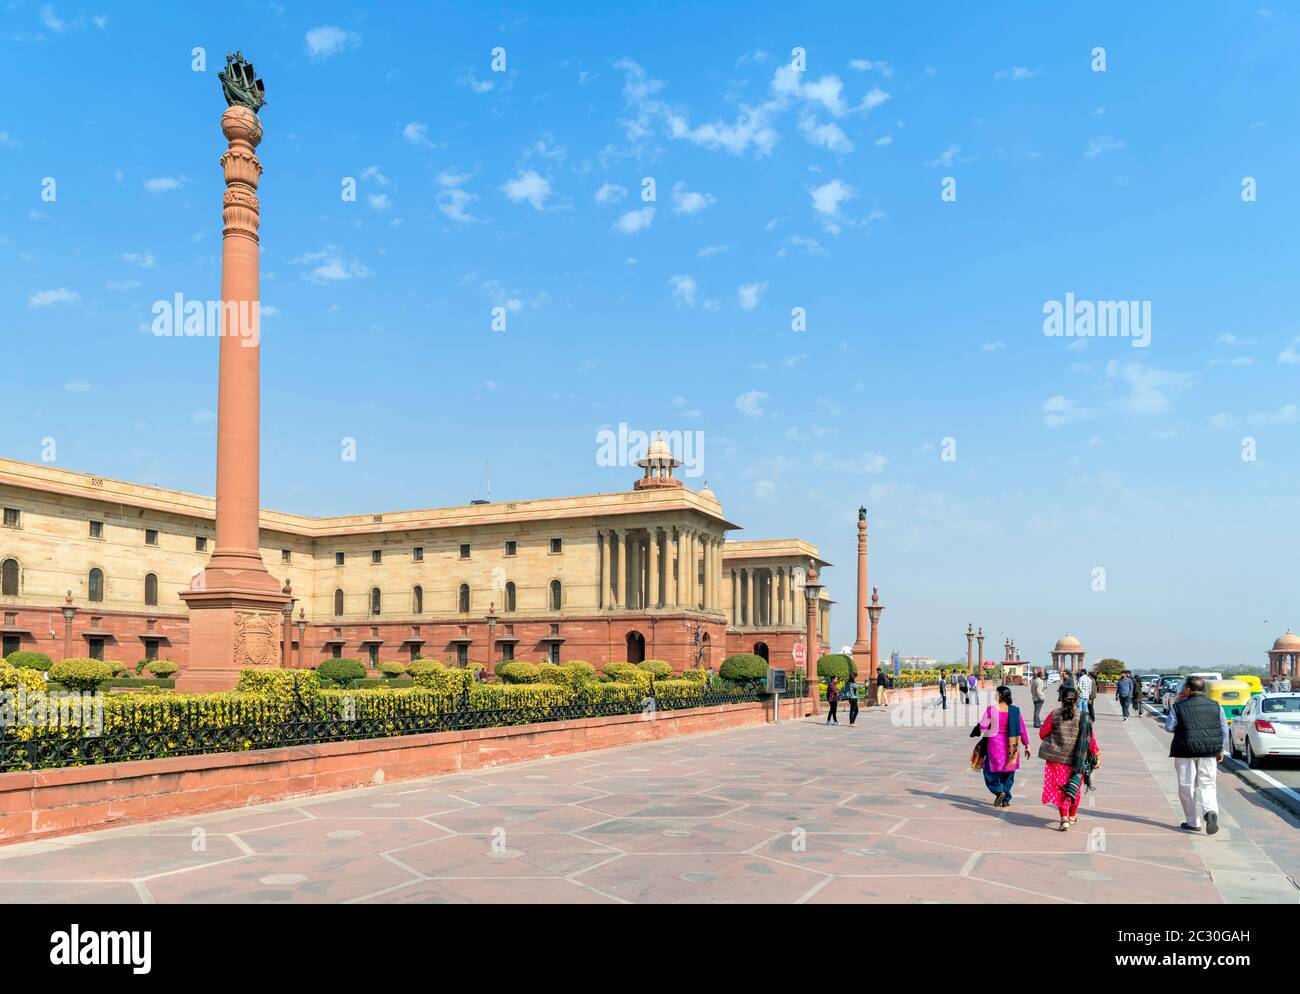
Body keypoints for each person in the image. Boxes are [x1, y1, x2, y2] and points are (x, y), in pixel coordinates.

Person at [1163, 677, 1228, 835]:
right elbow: (1224, 729)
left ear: (1187, 689)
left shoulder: (1179, 706)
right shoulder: (1216, 706)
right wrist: (1221, 749)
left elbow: (1169, 727)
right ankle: (1210, 811)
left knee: (1186, 785)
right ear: (1203, 689)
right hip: (1209, 751)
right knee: (1208, 783)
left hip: (1184, 749)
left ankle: (1193, 822)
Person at [1038, 688, 1101, 831]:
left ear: (1061, 699)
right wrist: (1097, 754)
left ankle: (1064, 819)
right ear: (1077, 700)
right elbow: (1089, 739)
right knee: (1074, 788)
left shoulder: (1054, 714)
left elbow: (1042, 734)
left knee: (1060, 788)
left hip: (1056, 758)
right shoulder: (1083, 717)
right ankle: (1072, 816)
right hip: (1077, 761)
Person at [976, 686, 1031, 808]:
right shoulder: (1015, 711)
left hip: (995, 744)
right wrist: (1027, 745)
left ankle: (998, 790)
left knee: (989, 771)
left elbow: (983, 727)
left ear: (1000, 695)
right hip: (1012, 745)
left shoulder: (991, 709)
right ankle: (1006, 799)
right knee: (1008, 773)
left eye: (996, 693)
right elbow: (1022, 729)